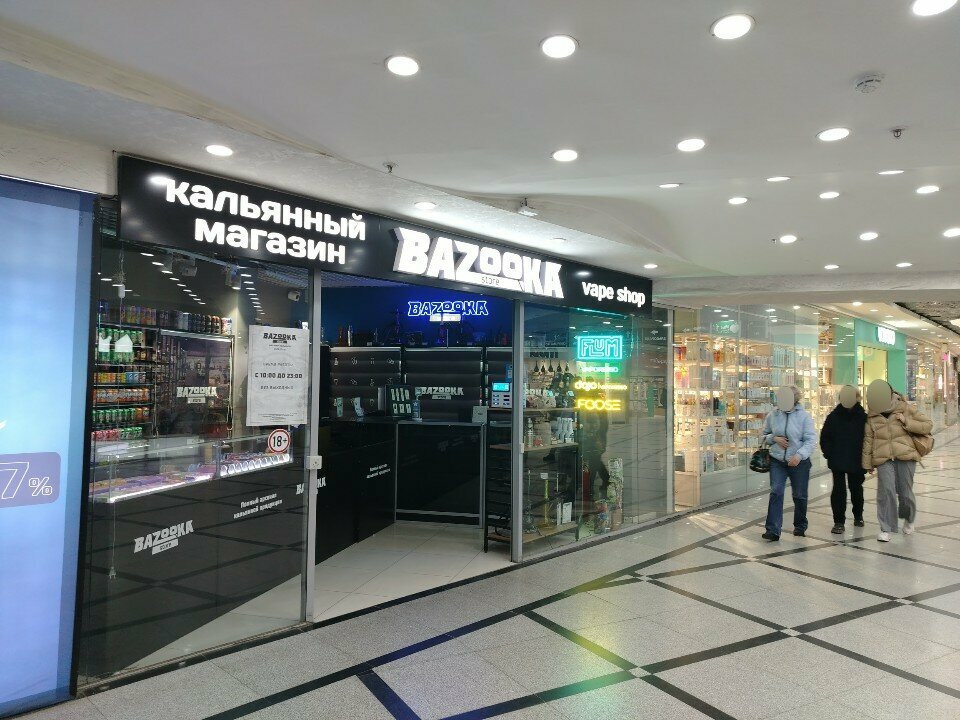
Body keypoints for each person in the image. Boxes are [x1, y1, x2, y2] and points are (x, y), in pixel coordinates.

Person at [862, 380, 933, 542]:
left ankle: (909, 519)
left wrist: (906, 421)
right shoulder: (872, 415)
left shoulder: (905, 407)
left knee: (905, 493)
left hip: (905, 455)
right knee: (886, 491)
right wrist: (868, 464)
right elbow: (868, 439)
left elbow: (928, 425)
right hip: (883, 457)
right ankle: (886, 528)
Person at [761, 385, 817, 541]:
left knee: (799, 495)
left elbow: (811, 441)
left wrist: (799, 455)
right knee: (776, 491)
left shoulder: (804, 417)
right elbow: (763, 436)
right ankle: (773, 529)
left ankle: (800, 525)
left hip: (799, 463)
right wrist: (774, 438)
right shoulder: (773, 415)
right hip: (777, 460)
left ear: (794, 399)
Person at [820, 385, 867, 534]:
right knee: (838, 491)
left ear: (857, 398)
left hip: (857, 460)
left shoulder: (863, 417)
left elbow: (869, 439)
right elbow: (824, 437)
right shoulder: (833, 416)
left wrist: (868, 459)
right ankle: (839, 522)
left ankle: (858, 515)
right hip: (838, 460)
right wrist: (829, 453)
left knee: (856, 489)